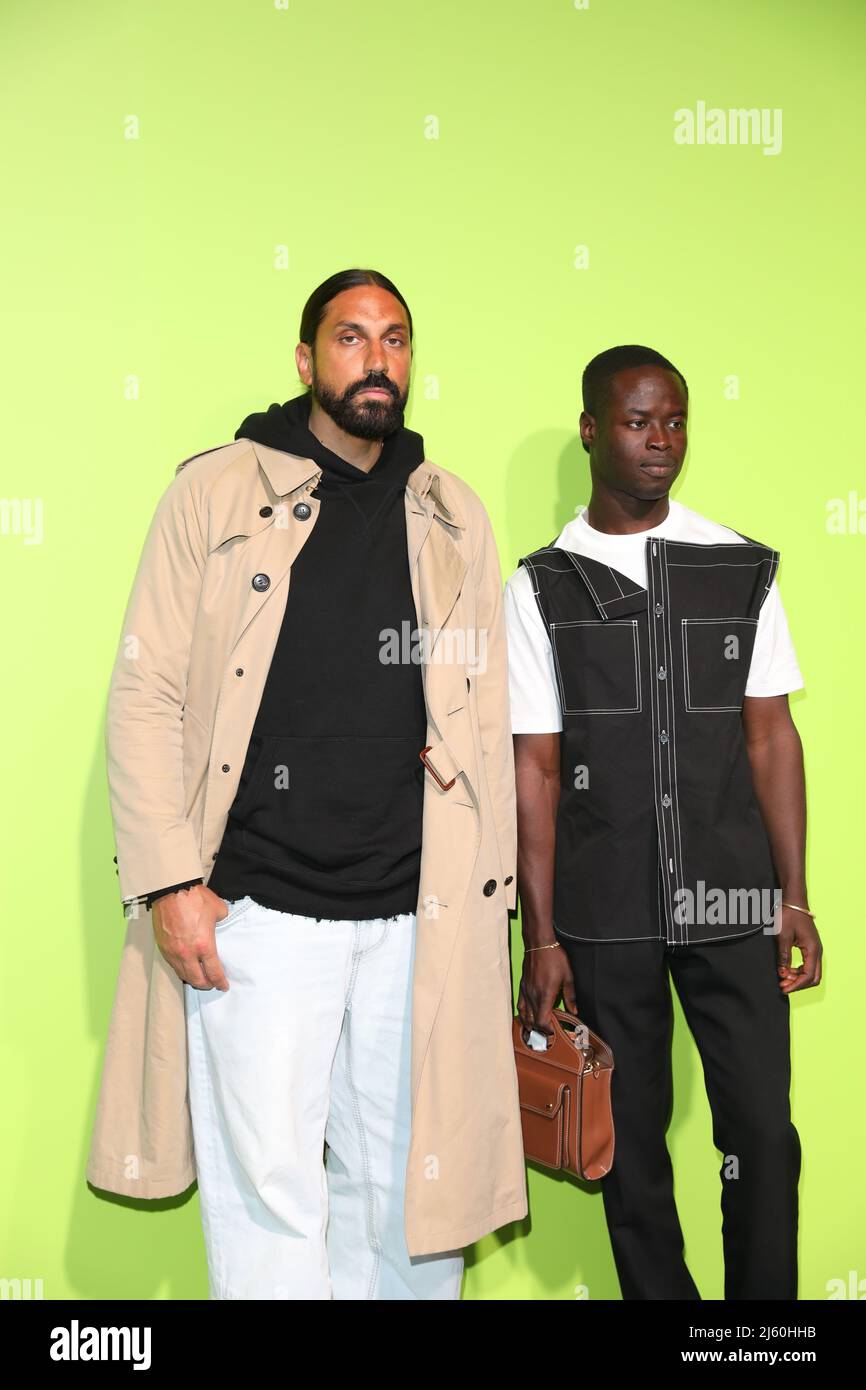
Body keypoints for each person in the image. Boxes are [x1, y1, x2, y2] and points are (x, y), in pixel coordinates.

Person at [87, 268, 528, 1299]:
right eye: (350, 337)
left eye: (395, 339)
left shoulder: (450, 512)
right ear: (304, 360)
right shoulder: (215, 490)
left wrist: (484, 887)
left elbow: (483, 708)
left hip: (413, 915)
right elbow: (146, 691)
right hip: (257, 912)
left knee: (408, 1191)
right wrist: (167, 882)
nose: (377, 360)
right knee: (271, 1193)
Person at [504, 344, 821, 1301]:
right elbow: (537, 767)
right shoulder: (542, 588)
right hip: (605, 917)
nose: (662, 441)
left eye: (676, 421)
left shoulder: (738, 567)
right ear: (593, 430)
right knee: (630, 1151)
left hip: (733, 901)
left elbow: (772, 740)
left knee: (763, 1135)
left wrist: (794, 897)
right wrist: (544, 935)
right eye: (640, 421)